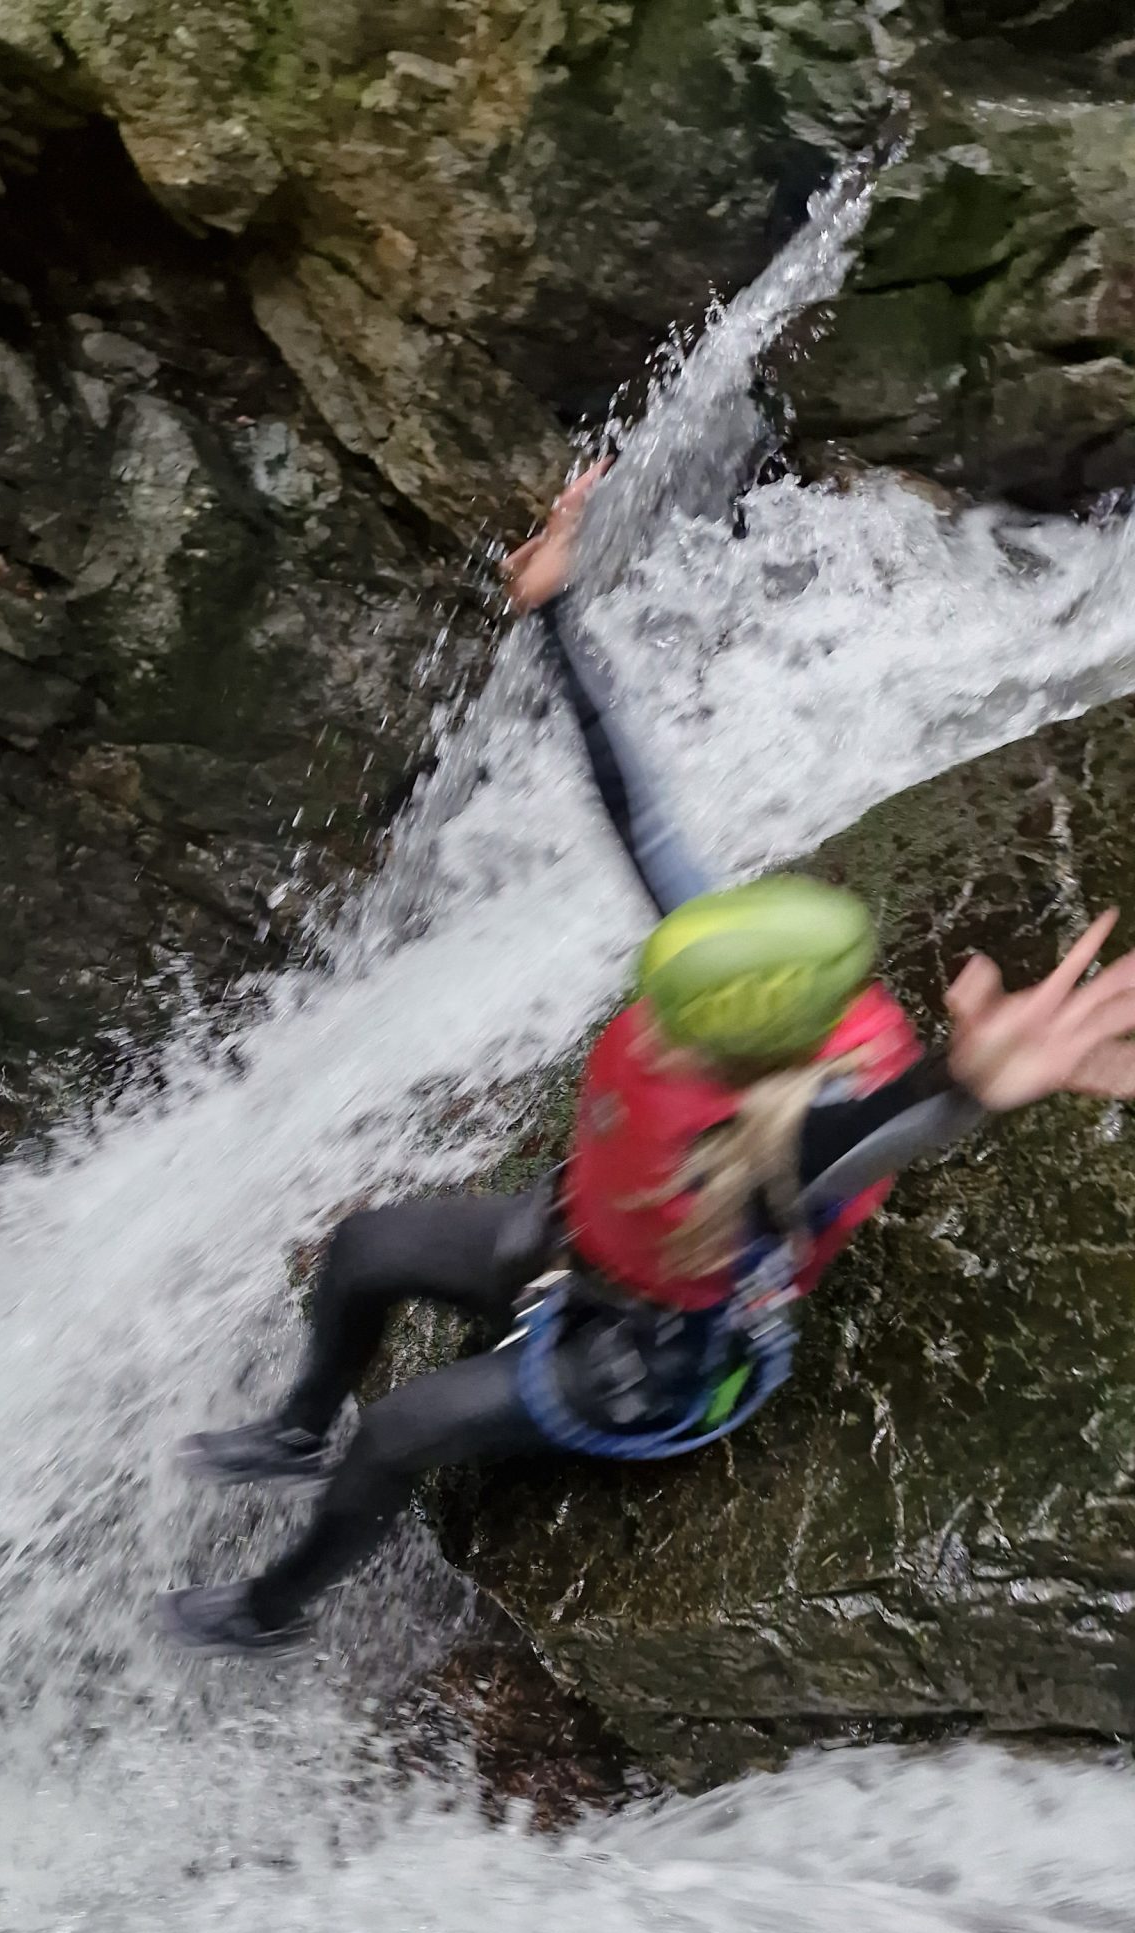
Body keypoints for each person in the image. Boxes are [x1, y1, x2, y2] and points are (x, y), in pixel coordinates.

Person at [160, 468, 1135, 1656]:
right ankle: (298, 1423)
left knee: (401, 1433)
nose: (652, 1028)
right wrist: (556, 615)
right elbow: (642, 809)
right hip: (576, 1242)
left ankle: (268, 1612)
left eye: (682, 1028)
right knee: (367, 1249)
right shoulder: (717, 976)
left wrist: (965, 1084)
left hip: (658, 1359)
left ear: (753, 1042)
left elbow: (886, 1126)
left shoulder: (788, 1128)